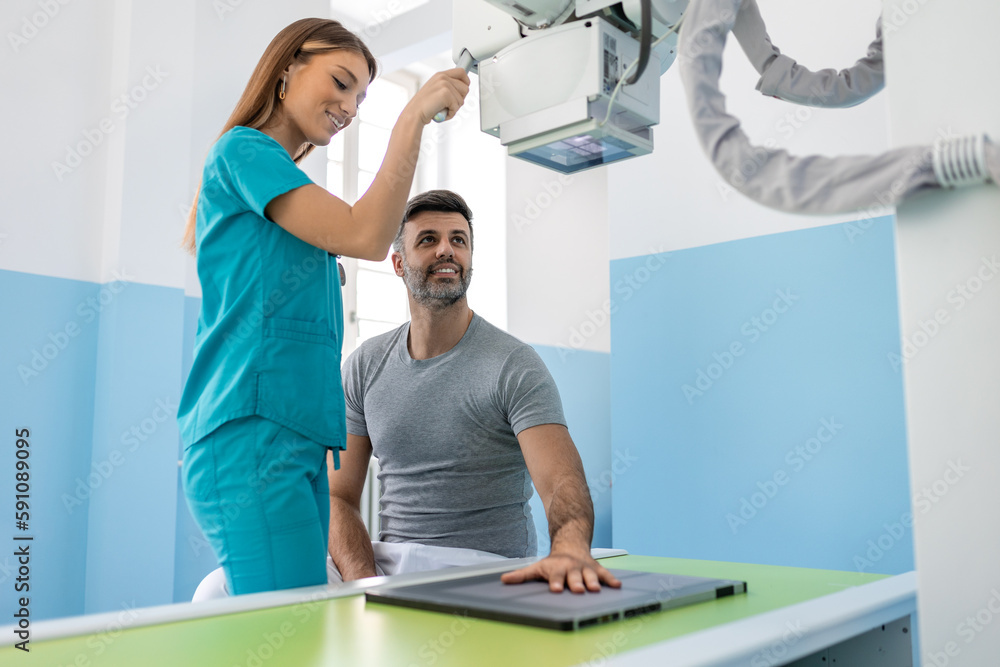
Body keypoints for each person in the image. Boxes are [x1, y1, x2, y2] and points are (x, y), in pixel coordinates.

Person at [177, 18, 469, 596]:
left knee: (301, 625)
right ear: (287, 69)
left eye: (362, 98)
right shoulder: (244, 152)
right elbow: (364, 234)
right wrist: (411, 117)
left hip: (301, 441)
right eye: (340, 82)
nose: (350, 106)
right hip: (251, 435)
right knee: (287, 631)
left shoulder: (286, 194)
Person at [329, 190, 621, 594]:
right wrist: (365, 584)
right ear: (398, 263)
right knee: (219, 588)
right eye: (428, 239)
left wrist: (570, 547)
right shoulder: (364, 365)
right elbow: (338, 496)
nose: (447, 250)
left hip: (485, 569)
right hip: (391, 565)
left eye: (459, 240)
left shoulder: (513, 364)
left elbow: (561, 483)